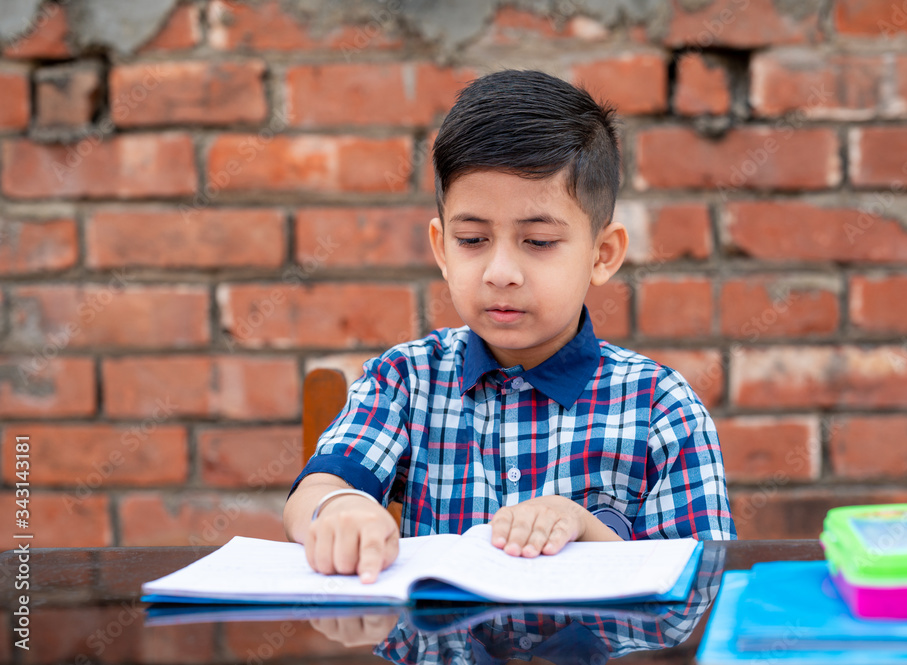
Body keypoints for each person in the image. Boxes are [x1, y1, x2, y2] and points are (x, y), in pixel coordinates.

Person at [283, 69, 736, 582]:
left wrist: (588, 531)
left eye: (539, 242)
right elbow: (313, 492)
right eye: (473, 240)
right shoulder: (405, 381)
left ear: (602, 254)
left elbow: (704, 583)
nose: (501, 274)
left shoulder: (659, 406)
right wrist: (338, 508)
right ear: (441, 249)